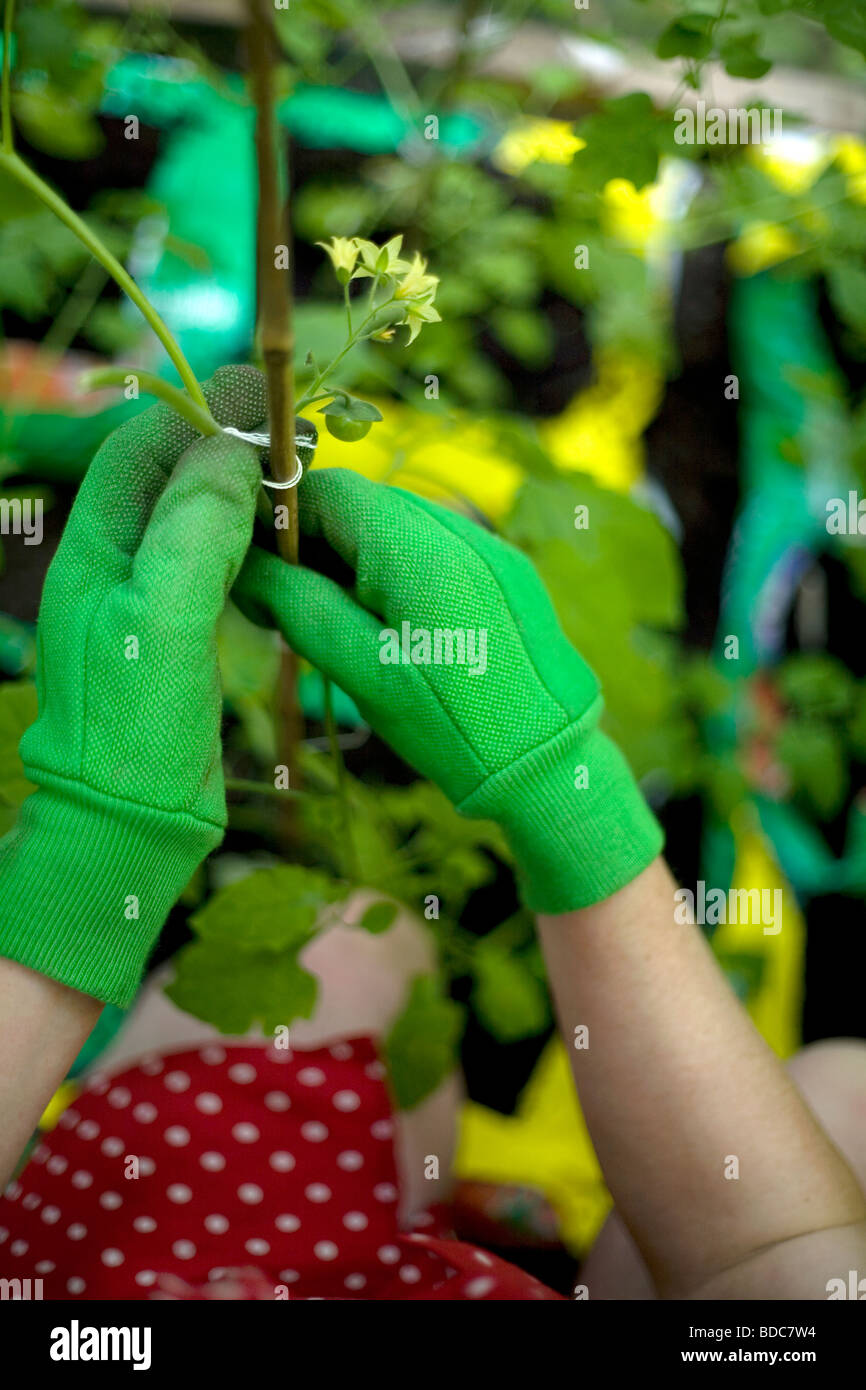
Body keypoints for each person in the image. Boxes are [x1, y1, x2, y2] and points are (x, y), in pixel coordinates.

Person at [0, 367, 864, 1301]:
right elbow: (770, 1265)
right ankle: (448, 1221)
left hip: (126, 1260)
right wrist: (564, 798)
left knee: (334, 943)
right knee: (848, 1089)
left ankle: (427, 1213)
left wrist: (94, 856)